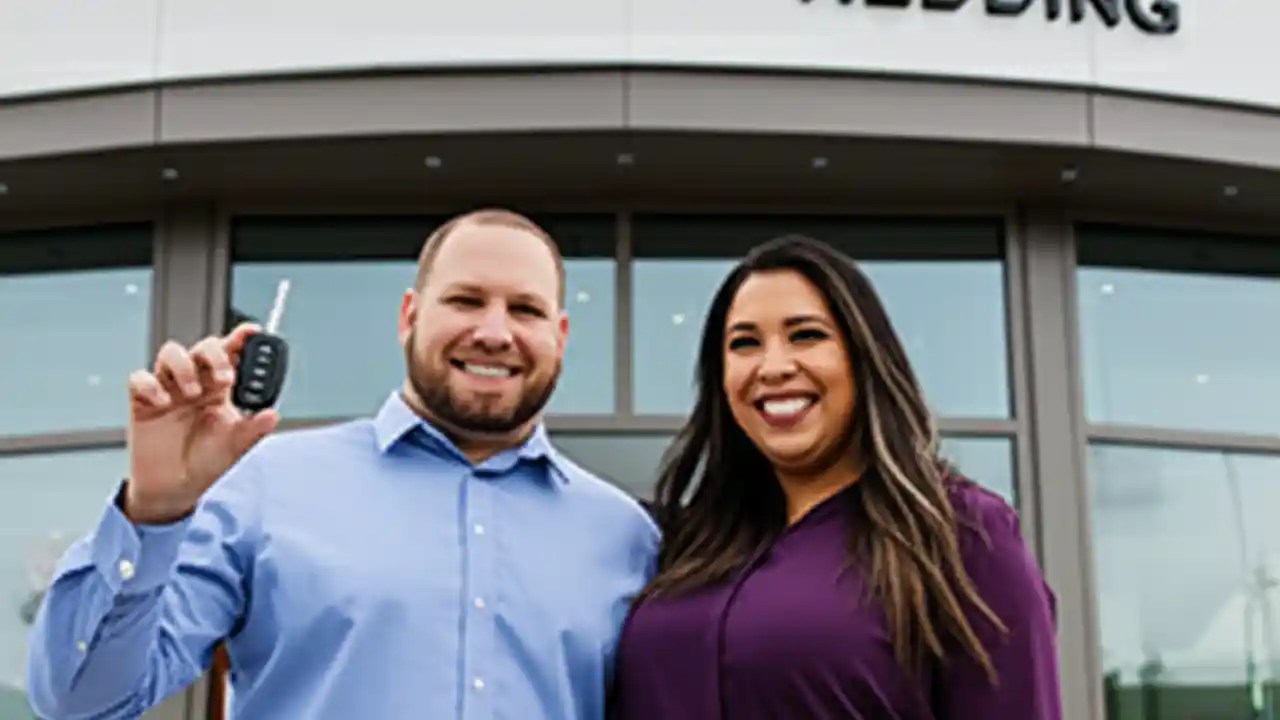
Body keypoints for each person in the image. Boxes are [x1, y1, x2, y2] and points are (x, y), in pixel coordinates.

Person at [25, 209, 659, 720]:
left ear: (562, 335)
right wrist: (154, 512)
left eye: (526, 309)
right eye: (465, 301)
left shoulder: (625, 537)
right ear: (409, 316)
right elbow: (84, 702)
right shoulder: (266, 486)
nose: (495, 332)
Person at [611, 235, 1062, 719]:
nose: (774, 367)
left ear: (863, 357)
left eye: (806, 335)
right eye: (744, 343)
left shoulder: (962, 533)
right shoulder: (690, 541)